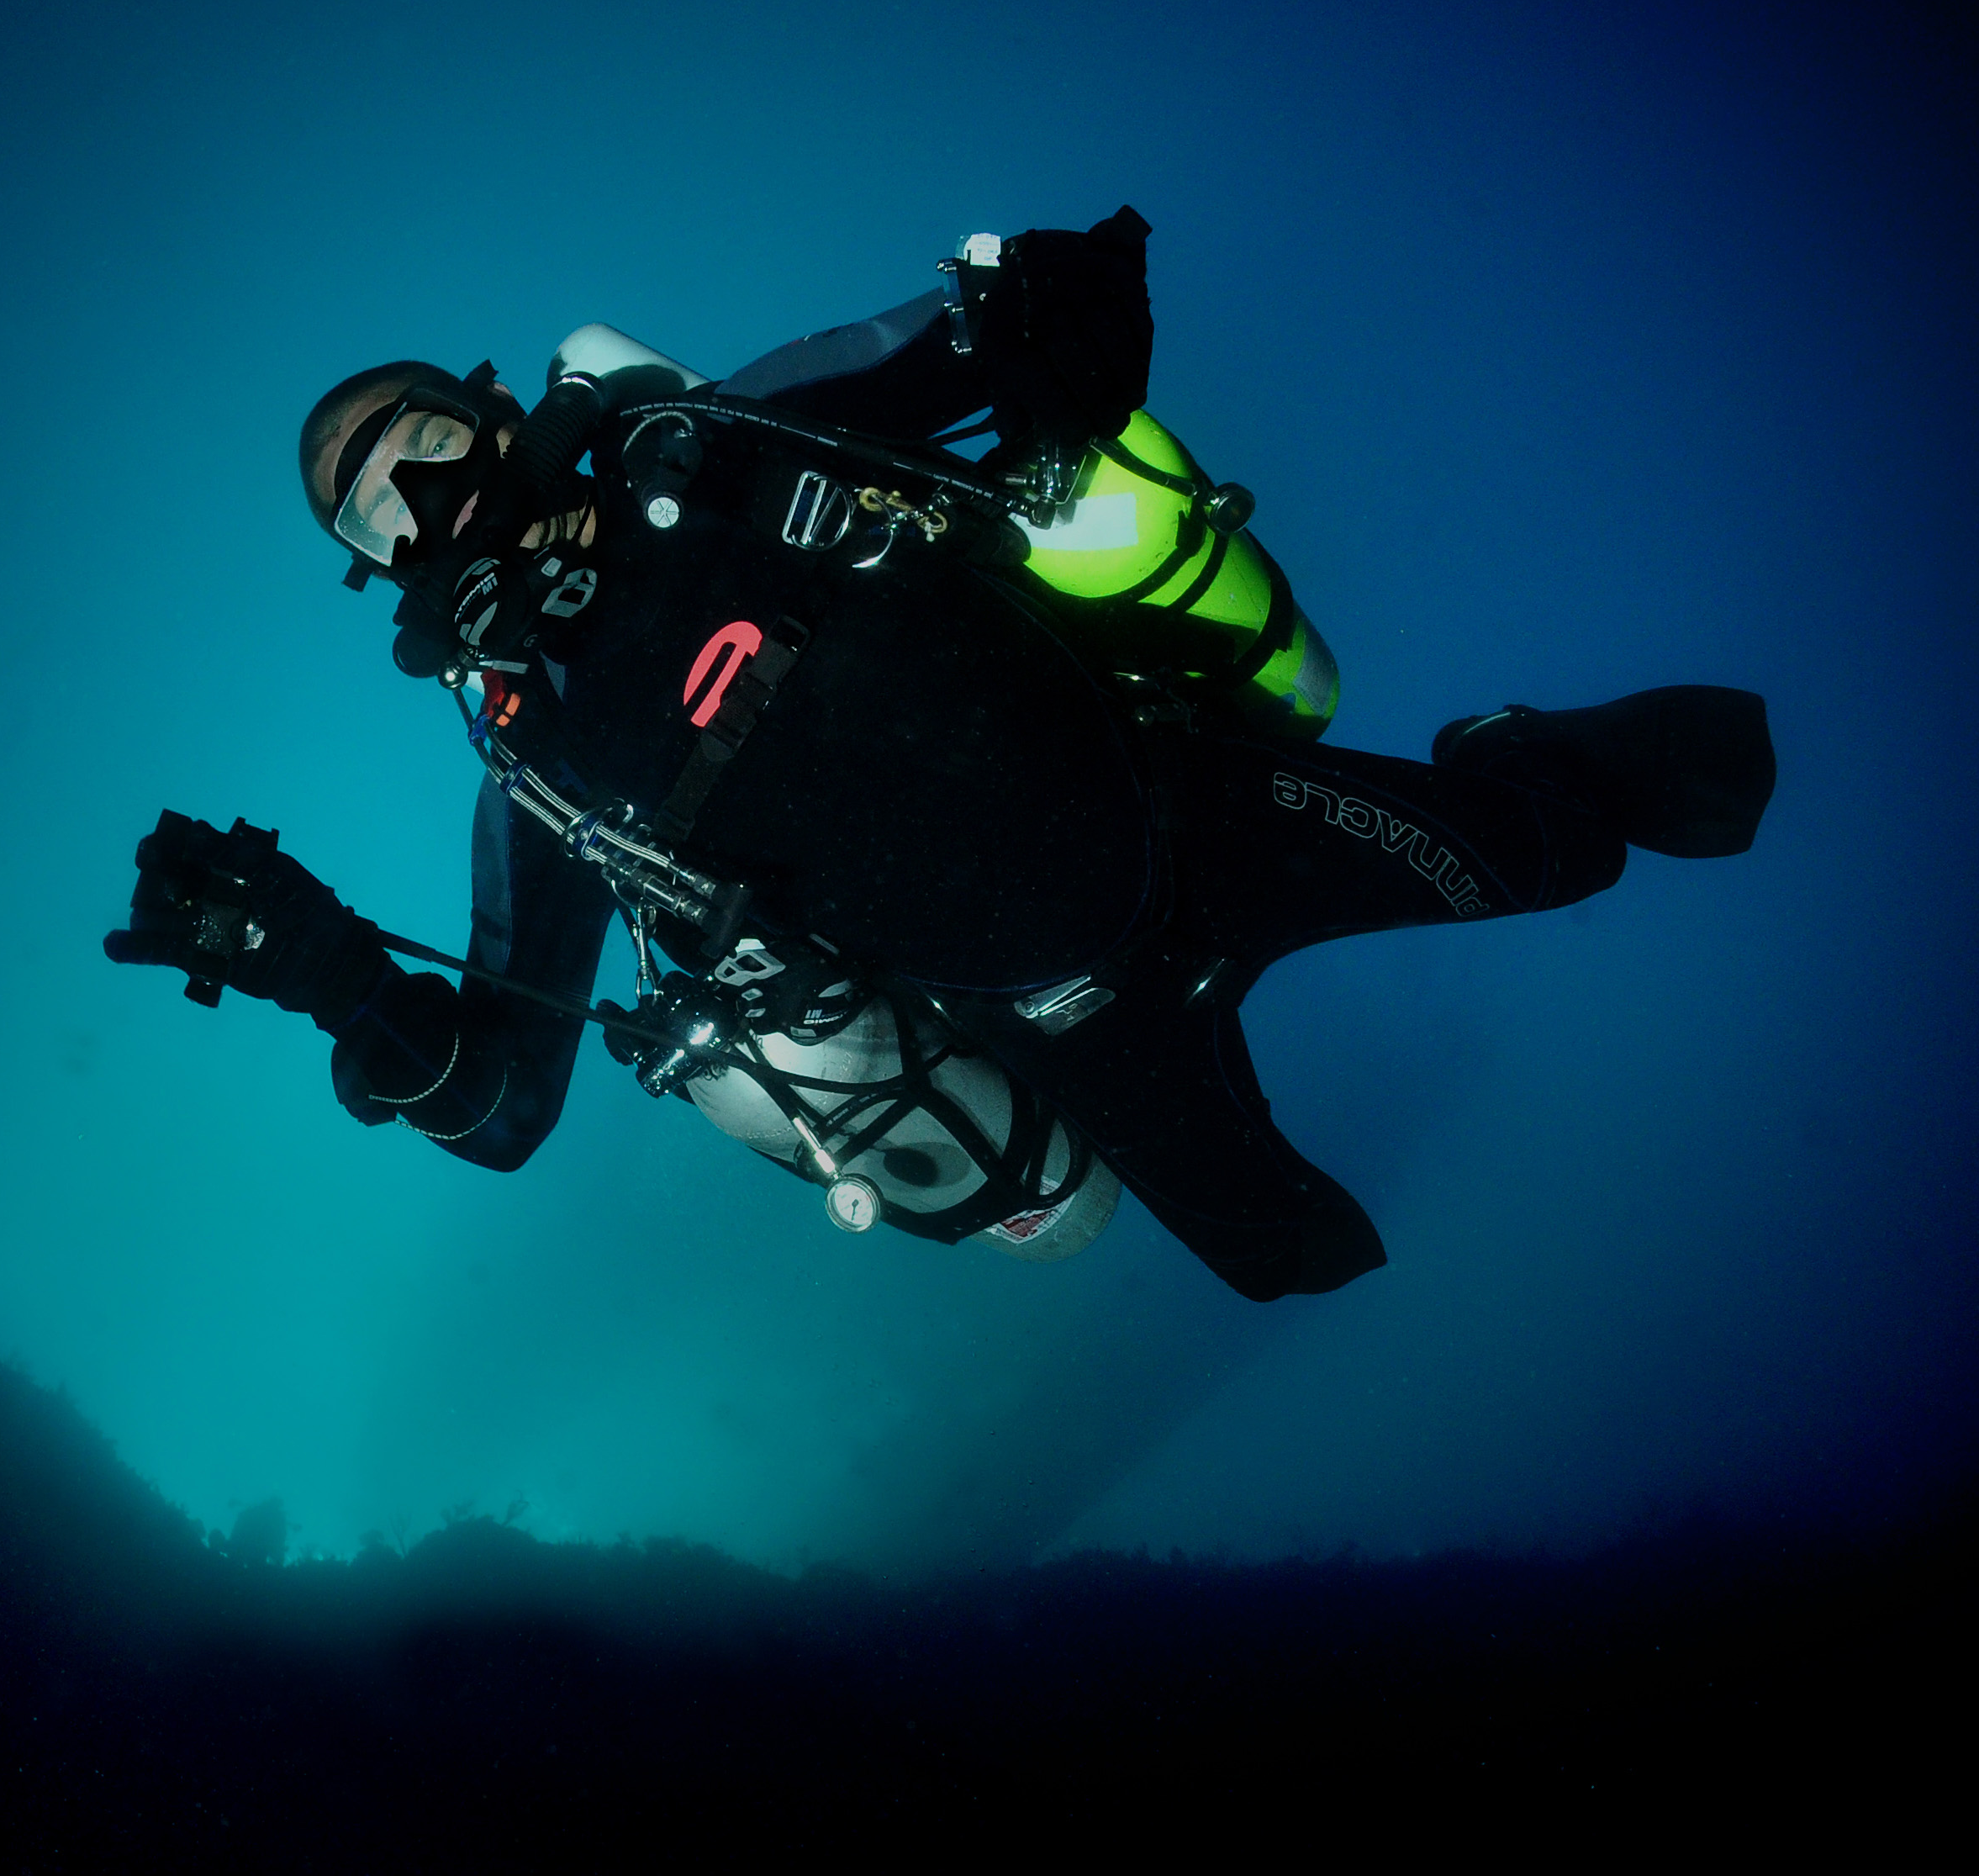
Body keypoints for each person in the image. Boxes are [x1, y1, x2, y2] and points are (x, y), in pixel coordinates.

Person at [105, 209, 1776, 1300]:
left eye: (420, 437)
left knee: (1552, 848)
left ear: (488, 409)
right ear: (378, 571)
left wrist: (1055, 323)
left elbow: (983, 318)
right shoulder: (536, 775)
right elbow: (500, 1102)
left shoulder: (720, 436)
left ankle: (1508, 754)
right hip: (1052, 1009)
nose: (421, 494)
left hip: (1189, 805)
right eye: (372, 506)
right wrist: (328, 973)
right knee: (1288, 1257)